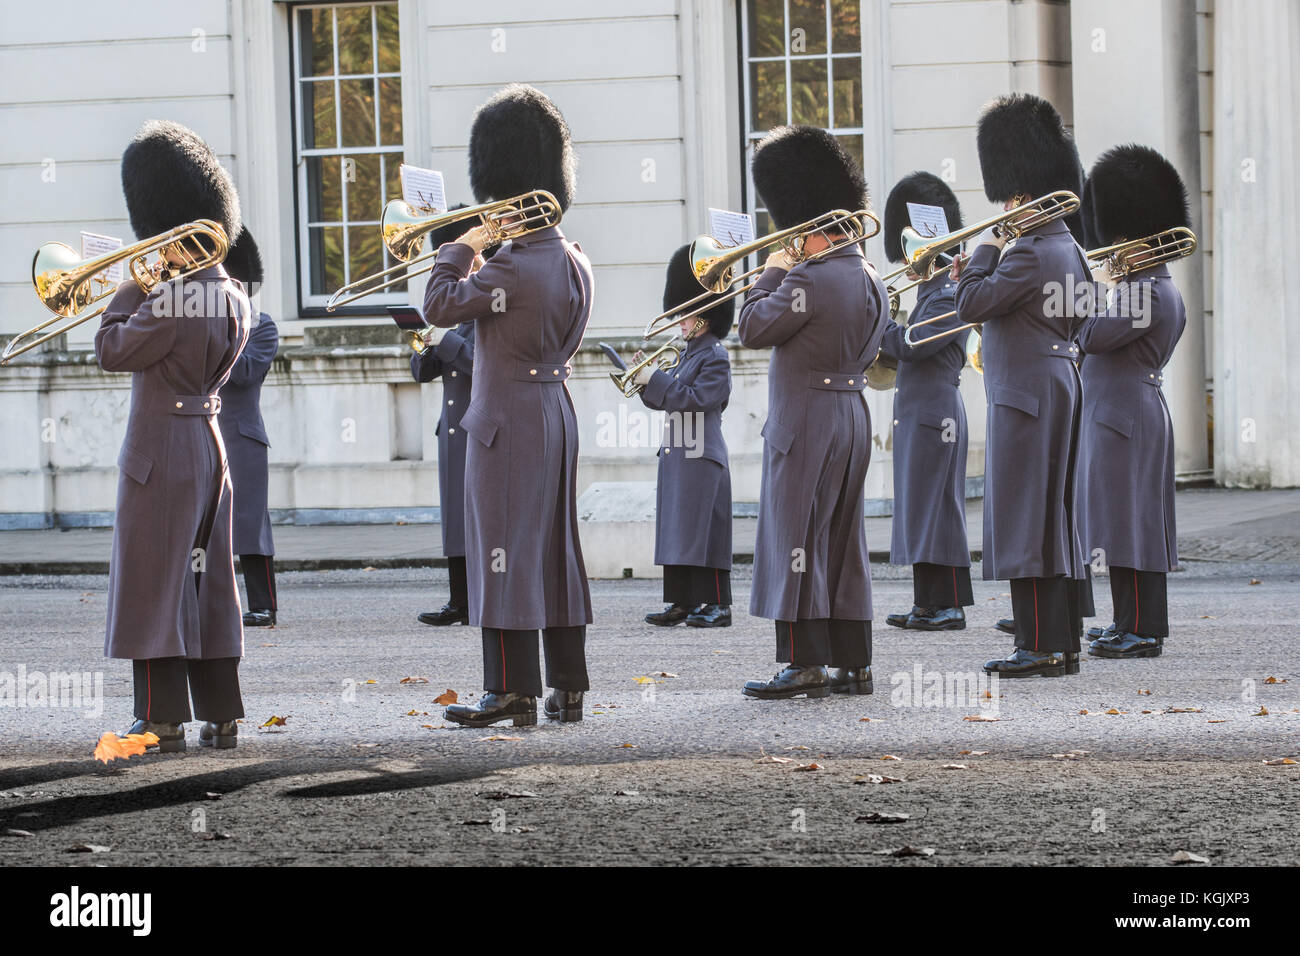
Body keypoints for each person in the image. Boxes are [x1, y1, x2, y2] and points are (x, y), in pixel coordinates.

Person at [422, 85, 594, 727]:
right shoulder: (573, 259)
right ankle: (567, 686)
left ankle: (511, 688)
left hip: (505, 420)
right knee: (554, 552)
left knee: (500, 549)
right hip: (555, 409)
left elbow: (439, 305)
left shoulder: (513, 265)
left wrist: (463, 244)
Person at [97, 120, 251, 750]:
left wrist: (130, 285)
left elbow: (110, 348)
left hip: (160, 451)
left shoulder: (166, 301)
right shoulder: (233, 294)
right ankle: (221, 713)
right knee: (208, 579)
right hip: (209, 444)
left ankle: (161, 716)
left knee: (156, 579)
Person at [737, 125, 885, 700]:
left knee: (795, 534)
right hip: (851, 415)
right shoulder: (868, 275)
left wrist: (771, 270)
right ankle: (853, 662)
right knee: (841, 542)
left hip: (805, 422)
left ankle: (802, 663)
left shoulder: (807, 277)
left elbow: (752, 327)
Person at [953, 94, 1091, 678]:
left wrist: (983, 249)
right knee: (1053, 516)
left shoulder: (1029, 252)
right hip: (1060, 382)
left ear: (1025, 194)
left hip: (1025, 394)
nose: (1005, 208)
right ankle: (1060, 644)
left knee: (1025, 516)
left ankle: (1036, 646)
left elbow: (969, 303)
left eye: (1010, 199)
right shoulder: (1071, 250)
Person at [1077, 144, 1191, 659]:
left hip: (1126, 417)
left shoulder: (1145, 291)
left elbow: (1092, 333)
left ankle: (1143, 630)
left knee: (1134, 525)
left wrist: (1084, 284)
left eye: (1125, 241)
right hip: (1121, 414)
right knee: (1120, 523)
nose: (1116, 248)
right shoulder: (1143, 287)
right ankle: (1128, 621)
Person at [878, 172, 974, 631]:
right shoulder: (928, 293)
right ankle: (927, 602)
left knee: (939, 507)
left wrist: (874, 320)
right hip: (920, 411)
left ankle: (949, 603)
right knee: (921, 507)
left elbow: (912, 344)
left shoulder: (950, 294)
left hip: (937, 412)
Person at [636, 244, 734, 628]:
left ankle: (716, 605)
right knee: (678, 528)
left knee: (705, 532)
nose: (680, 321)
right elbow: (667, 400)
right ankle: (682, 600)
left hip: (702, 452)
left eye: (687, 314)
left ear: (706, 317)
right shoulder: (688, 353)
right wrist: (644, 383)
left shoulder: (715, 356)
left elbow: (696, 400)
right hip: (680, 450)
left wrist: (655, 379)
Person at [409, 207, 490, 628]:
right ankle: (459, 600)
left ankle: (482, 598)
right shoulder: (447, 305)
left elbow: (484, 362)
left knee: (480, 517)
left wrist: (448, 341)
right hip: (452, 428)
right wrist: (425, 345)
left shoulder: (488, 299)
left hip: (479, 425)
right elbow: (421, 373)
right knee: (455, 519)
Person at [217, 228, 280, 628]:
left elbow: (243, 373)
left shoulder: (263, 325)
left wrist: (224, 323)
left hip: (241, 434)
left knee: (250, 523)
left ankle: (263, 605)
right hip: (201, 431)